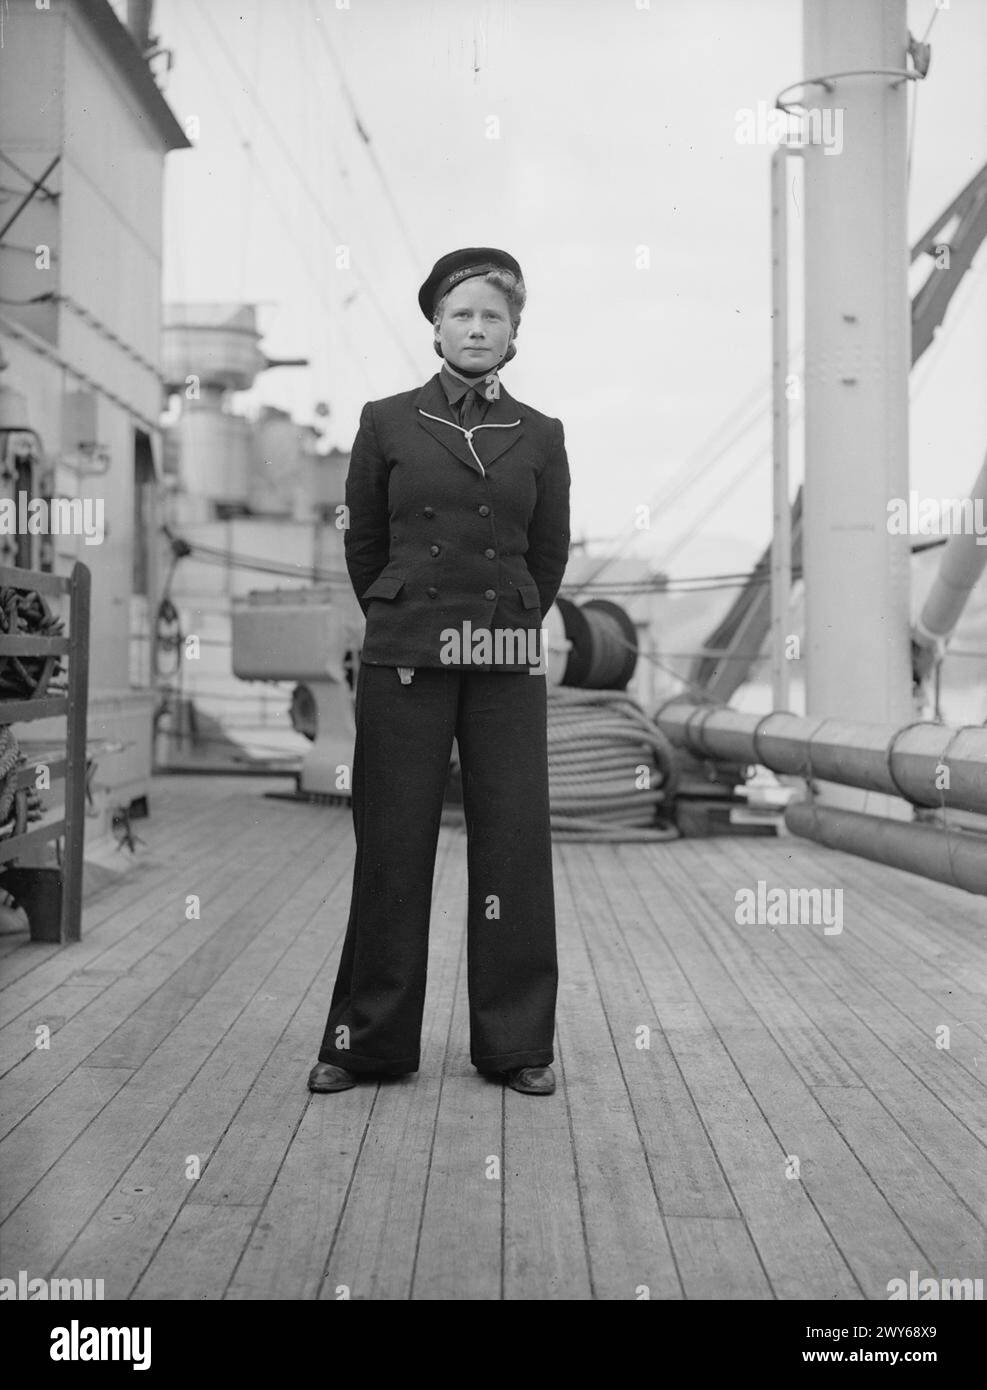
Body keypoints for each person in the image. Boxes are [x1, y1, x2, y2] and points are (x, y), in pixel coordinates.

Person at [308, 247, 571, 1097]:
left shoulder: (540, 434)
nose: (476, 328)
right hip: (406, 650)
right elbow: (364, 545)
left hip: (499, 651)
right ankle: (366, 1043)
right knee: (392, 843)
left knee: (513, 846)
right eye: (462, 314)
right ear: (435, 325)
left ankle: (516, 1045)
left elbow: (549, 552)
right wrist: (401, 612)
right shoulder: (385, 421)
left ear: (513, 333)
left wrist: (512, 620)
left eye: (493, 316)